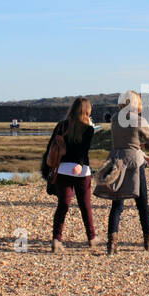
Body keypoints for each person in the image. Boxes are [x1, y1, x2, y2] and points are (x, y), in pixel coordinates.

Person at [105, 89, 149, 253]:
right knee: (142, 203)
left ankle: (112, 242)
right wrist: (144, 146)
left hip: (117, 161)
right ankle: (148, 238)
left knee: (117, 203)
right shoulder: (139, 120)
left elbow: (123, 142)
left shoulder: (115, 119)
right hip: (135, 163)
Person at [48, 97, 98, 253]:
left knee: (63, 205)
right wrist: (79, 164)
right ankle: (92, 238)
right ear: (87, 110)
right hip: (82, 172)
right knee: (85, 206)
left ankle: (56, 240)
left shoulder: (61, 126)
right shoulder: (88, 129)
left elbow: (51, 147)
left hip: (62, 170)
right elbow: (83, 150)